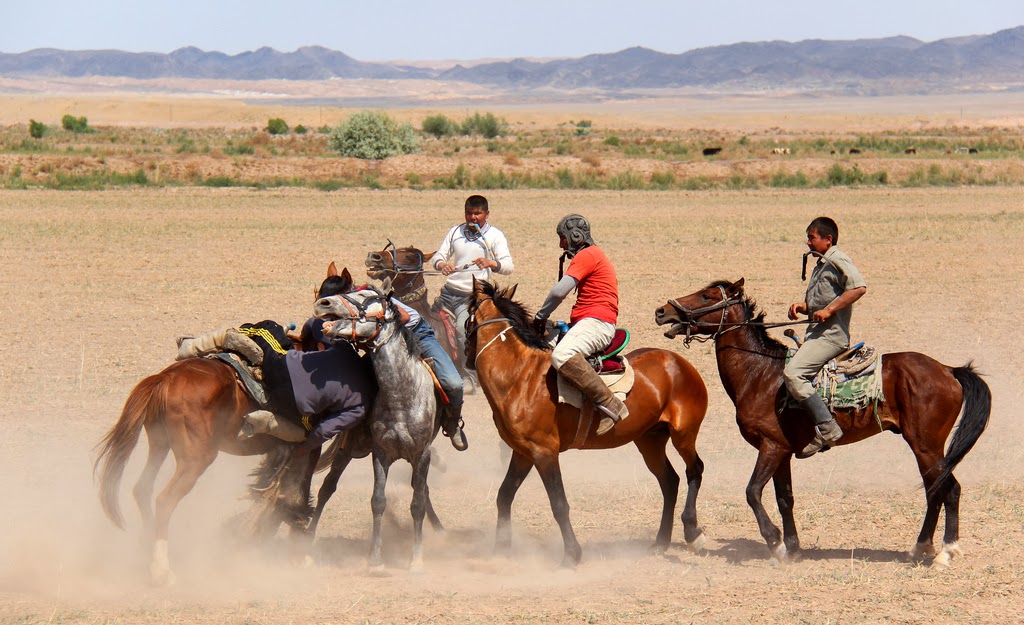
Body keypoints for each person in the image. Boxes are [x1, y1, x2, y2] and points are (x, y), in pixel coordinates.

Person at [531, 214, 628, 436]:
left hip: (598, 323)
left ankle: (610, 404)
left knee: (561, 356)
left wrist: (540, 317)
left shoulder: (588, 255)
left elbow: (559, 292)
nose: (560, 244)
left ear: (574, 236)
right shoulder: (591, 255)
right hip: (587, 322)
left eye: (562, 238)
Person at [784, 216, 868, 458]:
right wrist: (804, 306)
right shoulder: (822, 263)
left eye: (812, 238)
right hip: (816, 334)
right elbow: (823, 299)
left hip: (831, 337)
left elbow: (858, 288)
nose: (808, 242)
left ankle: (828, 427)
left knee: (793, 373)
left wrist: (830, 310)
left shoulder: (838, 259)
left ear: (828, 239)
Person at [432, 194, 514, 364]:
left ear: (487, 214)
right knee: (428, 327)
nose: (472, 217)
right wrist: (442, 265)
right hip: (448, 293)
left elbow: (508, 267)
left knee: (462, 332)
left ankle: (469, 374)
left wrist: (490, 262)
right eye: (469, 213)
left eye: (477, 213)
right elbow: (438, 256)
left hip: (471, 298)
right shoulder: (455, 231)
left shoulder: (495, 236)